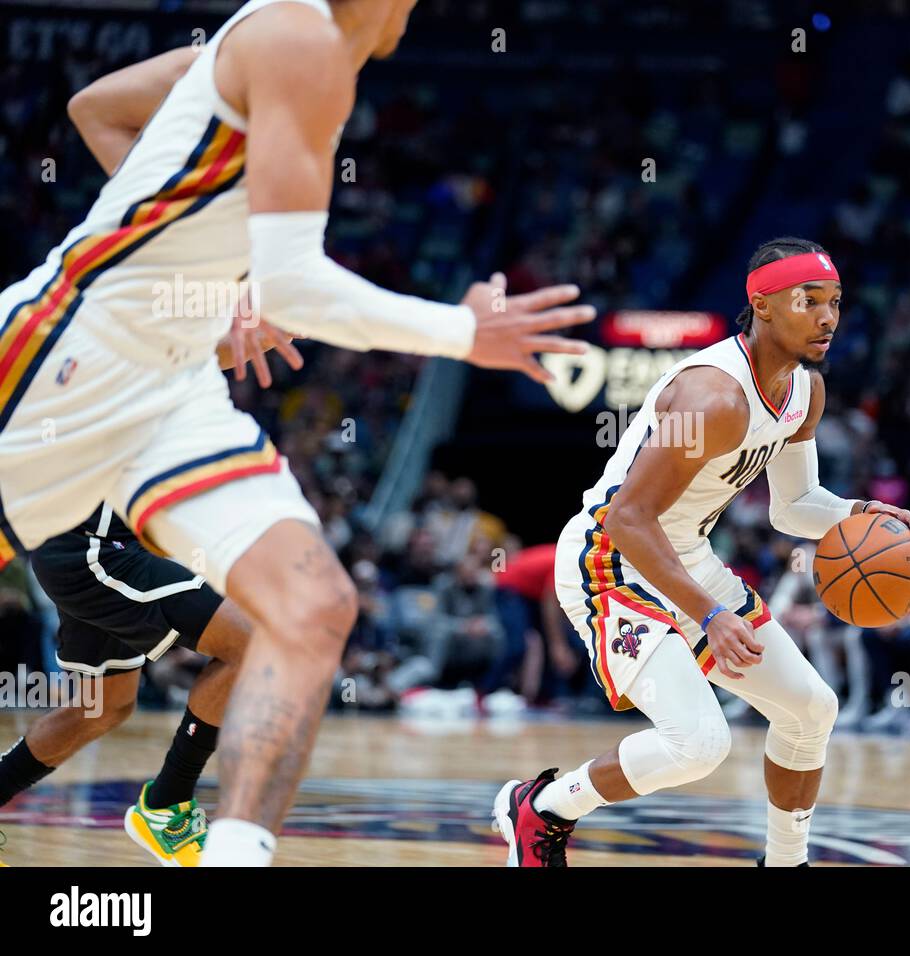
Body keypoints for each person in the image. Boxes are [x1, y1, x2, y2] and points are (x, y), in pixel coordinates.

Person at [0, 0, 593, 866]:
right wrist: (463, 332)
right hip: (61, 357)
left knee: (313, 606)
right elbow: (296, 289)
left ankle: (233, 852)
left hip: (171, 387)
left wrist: (210, 283)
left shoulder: (286, 50)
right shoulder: (294, 36)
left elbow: (102, 109)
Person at [492, 237, 910, 866]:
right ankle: (545, 807)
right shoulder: (713, 397)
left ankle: (786, 863)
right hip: (610, 560)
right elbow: (628, 518)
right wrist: (711, 614)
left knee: (811, 710)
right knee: (699, 744)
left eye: (835, 301)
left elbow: (795, 504)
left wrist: (861, 513)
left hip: (683, 553)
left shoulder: (805, 391)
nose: (828, 317)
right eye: (809, 300)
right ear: (764, 305)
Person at [0, 504, 248, 866]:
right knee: (250, 642)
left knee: (103, 706)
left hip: (104, 549)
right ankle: (166, 804)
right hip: (91, 552)